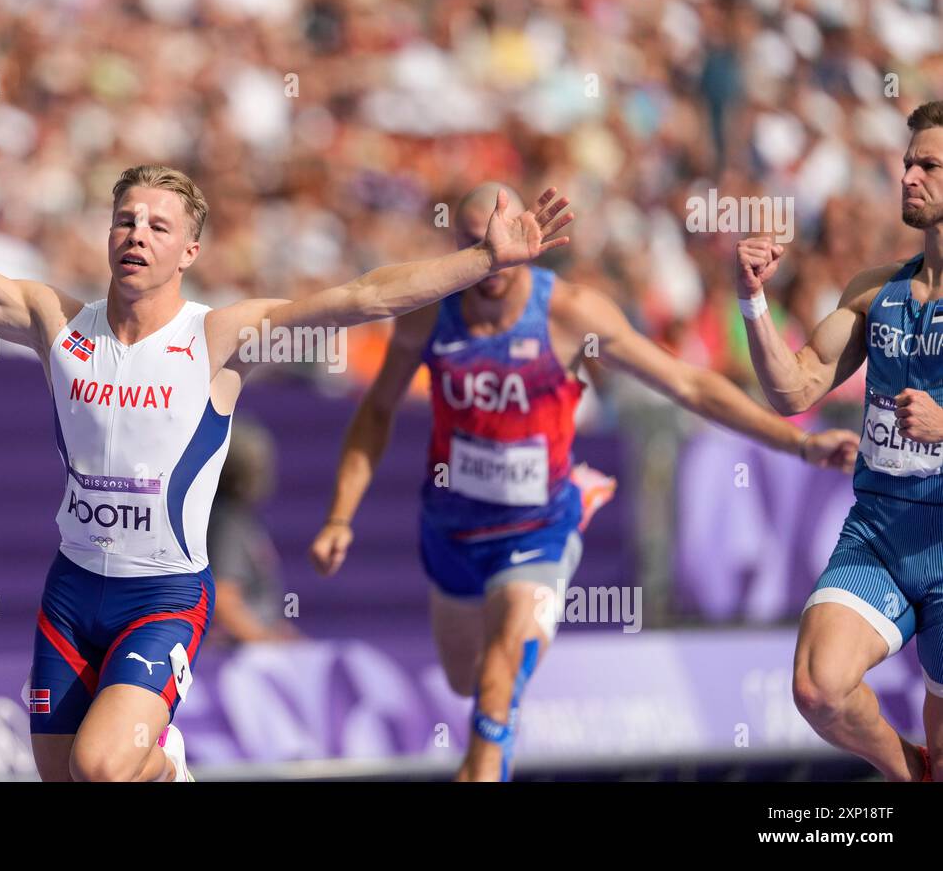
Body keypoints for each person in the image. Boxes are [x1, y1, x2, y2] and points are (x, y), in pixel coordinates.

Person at [0, 106, 575, 782]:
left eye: (158, 225)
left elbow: (359, 297)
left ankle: (161, 759)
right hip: (70, 592)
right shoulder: (55, 319)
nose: (136, 233)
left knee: (105, 765)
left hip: (163, 594)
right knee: (69, 776)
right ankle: (166, 771)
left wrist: (477, 261)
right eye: (125, 219)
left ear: (190, 250)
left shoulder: (220, 338)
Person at [310, 182, 861, 782]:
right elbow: (377, 410)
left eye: (500, 234)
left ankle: (486, 762)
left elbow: (689, 385)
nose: (489, 252)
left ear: (532, 236)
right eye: (472, 241)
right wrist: (341, 514)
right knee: (465, 677)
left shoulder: (571, 313)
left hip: (537, 529)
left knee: (498, 680)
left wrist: (800, 444)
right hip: (452, 530)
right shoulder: (428, 314)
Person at [735, 100, 943, 782]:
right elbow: (791, 391)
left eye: (929, 165)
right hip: (879, 535)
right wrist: (753, 301)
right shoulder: (874, 292)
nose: (909, 175)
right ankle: (906, 773)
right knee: (817, 686)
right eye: (908, 162)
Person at [207, 419, 298, 644]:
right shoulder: (228, 524)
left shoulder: (242, 519)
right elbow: (223, 598)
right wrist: (267, 642)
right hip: (234, 657)